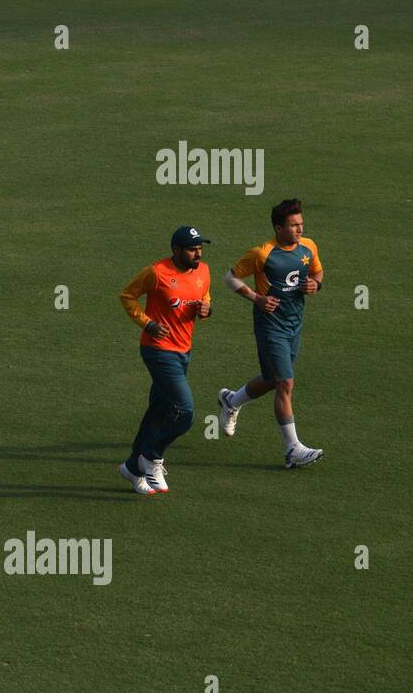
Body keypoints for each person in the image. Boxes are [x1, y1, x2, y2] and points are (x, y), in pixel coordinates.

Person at [217, 199, 325, 468]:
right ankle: (292, 450)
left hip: (294, 323)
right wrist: (257, 298)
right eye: (293, 225)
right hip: (270, 326)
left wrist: (316, 284)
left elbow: (317, 271)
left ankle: (231, 400)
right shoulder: (262, 254)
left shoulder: (308, 246)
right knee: (285, 383)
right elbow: (230, 277)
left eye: (301, 224)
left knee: (272, 379)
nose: (300, 229)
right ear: (278, 228)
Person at [117, 226, 214, 494]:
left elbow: (205, 297)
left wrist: (206, 309)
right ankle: (151, 457)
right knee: (184, 411)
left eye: (200, 248)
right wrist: (147, 324)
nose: (198, 253)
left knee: (158, 409)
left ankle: (133, 469)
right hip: (158, 350)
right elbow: (127, 296)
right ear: (176, 250)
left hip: (184, 351)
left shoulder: (203, 271)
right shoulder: (157, 272)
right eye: (192, 249)